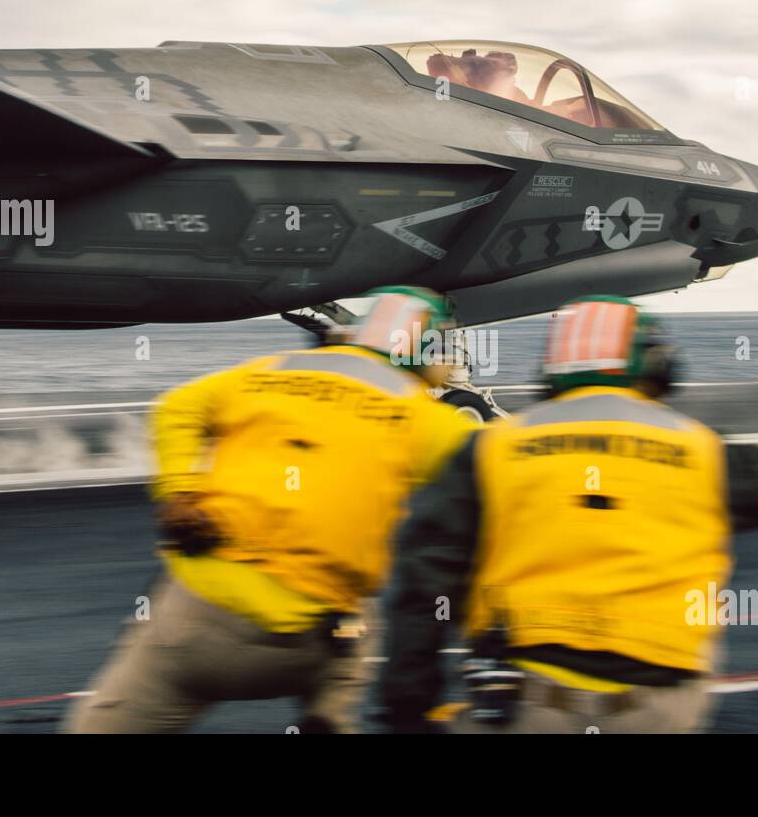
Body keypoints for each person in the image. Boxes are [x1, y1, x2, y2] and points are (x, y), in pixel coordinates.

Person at [377, 295, 758, 733]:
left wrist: (407, 708)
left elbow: (423, 584)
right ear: (655, 365)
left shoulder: (494, 449)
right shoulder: (698, 449)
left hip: (524, 705)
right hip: (657, 709)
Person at [66, 286, 477, 733]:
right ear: (424, 347)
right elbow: (492, 470)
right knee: (361, 633)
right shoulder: (419, 415)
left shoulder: (266, 371)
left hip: (192, 622)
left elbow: (176, 408)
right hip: (307, 638)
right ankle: (330, 715)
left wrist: (181, 493)